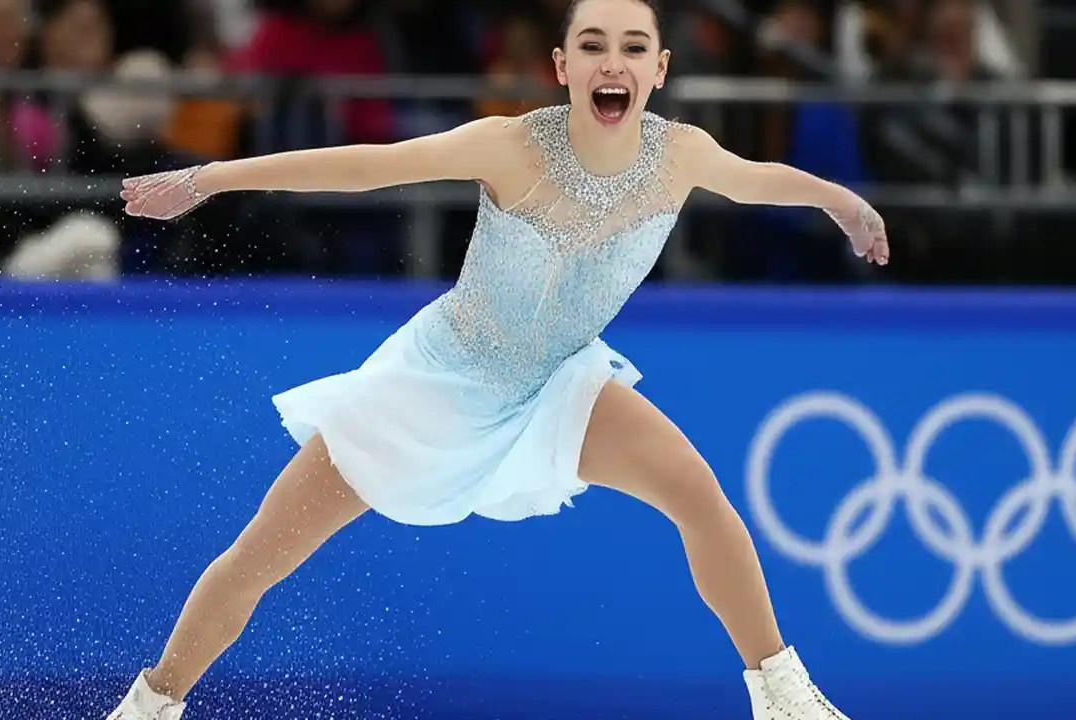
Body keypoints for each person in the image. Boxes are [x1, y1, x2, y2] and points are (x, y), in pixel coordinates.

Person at [110, 0, 889, 718]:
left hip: (556, 384)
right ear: (561, 66)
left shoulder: (681, 154)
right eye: (592, 45)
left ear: (659, 69)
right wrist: (209, 178)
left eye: (632, 47)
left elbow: (760, 182)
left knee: (696, 493)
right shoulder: (511, 145)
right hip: (435, 383)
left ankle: (782, 694)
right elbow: (361, 167)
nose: (611, 61)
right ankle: (153, 703)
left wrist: (841, 200)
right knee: (260, 555)